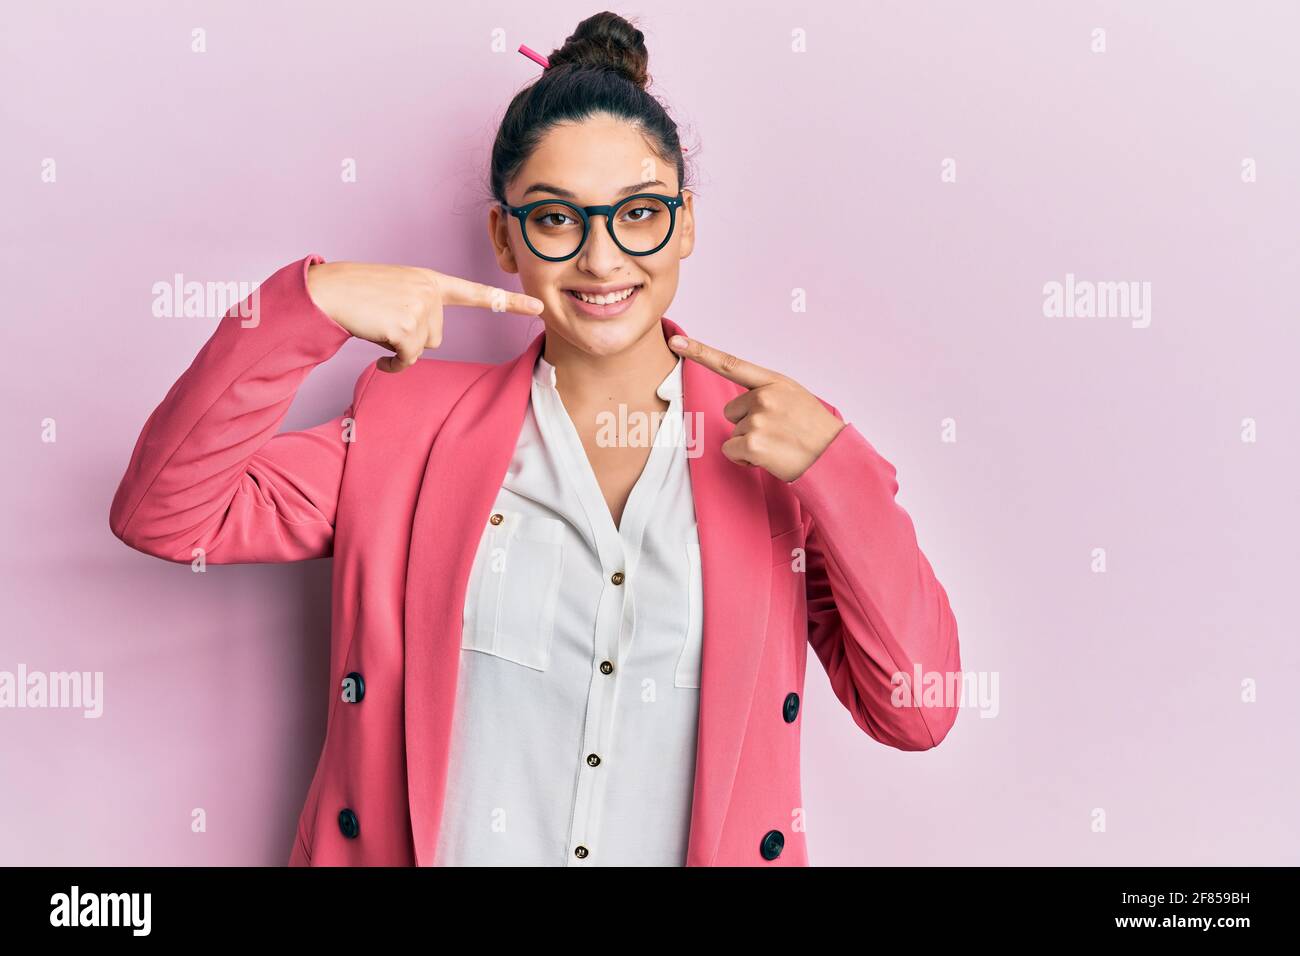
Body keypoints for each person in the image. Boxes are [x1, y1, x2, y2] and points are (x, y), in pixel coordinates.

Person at [109, 11, 961, 867]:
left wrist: (835, 470)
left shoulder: (779, 457)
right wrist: (309, 305)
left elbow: (917, 713)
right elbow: (167, 516)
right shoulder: (407, 427)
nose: (601, 259)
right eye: (557, 218)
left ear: (685, 225)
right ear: (504, 237)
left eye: (639, 213)